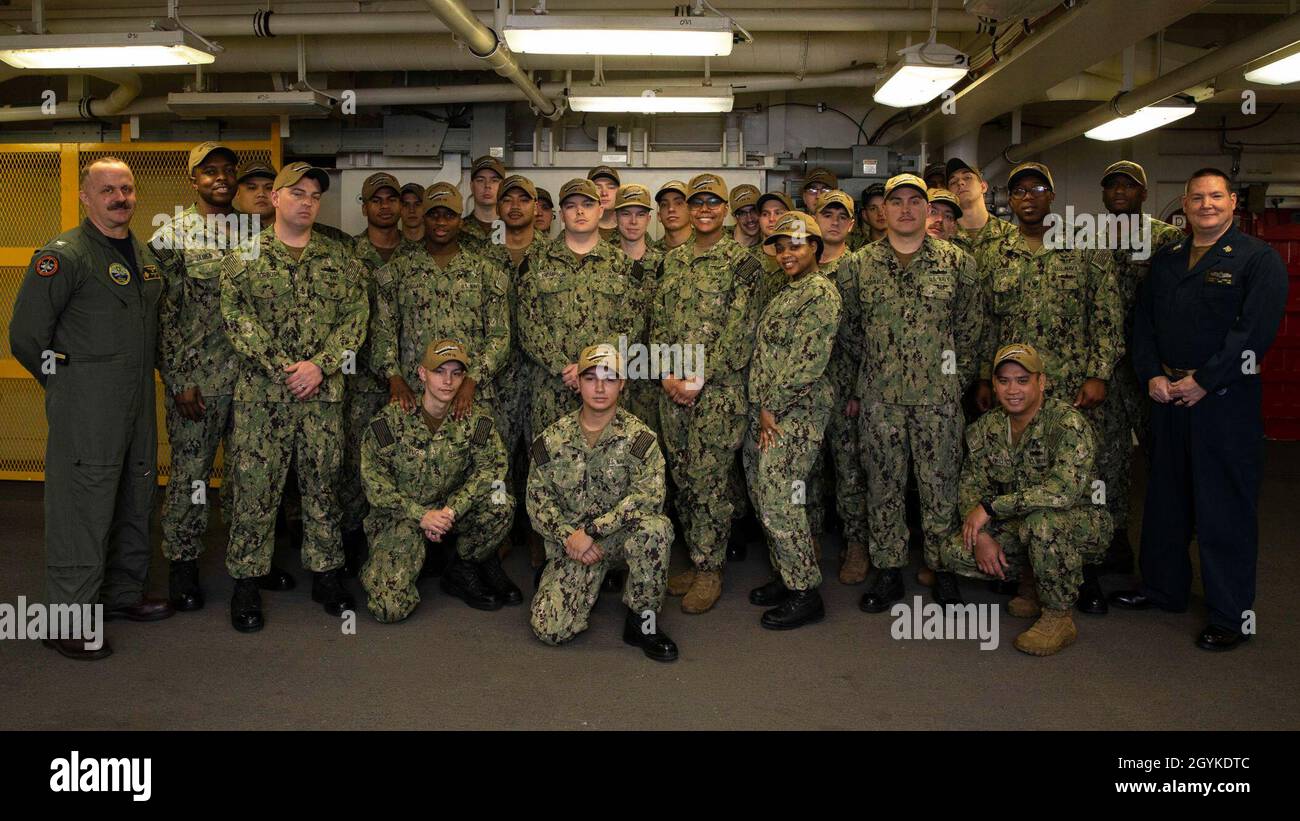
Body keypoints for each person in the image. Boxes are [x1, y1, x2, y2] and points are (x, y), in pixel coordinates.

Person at [1113, 167, 1289, 652]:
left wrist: (1205, 382)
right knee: (1166, 498)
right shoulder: (1168, 257)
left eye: (1216, 196)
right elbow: (1143, 320)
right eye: (1196, 198)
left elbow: (1253, 334)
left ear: (1233, 202)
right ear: (1184, 206)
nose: (1206, 204)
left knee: (1223, 507)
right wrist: (1151, 372)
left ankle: (1231, 615)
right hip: (1167, 394)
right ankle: (1162, 589)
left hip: (1223, 401)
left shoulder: (1258, 260)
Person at [10, 156, 174, 659]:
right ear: (86, 197)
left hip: (137, 397)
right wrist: (68, 385)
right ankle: (65, 618)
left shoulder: (143, 254)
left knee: (135, 487)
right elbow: (25, 337)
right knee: (82, 504)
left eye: (126, 188)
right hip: (88, 400)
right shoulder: (64, 256)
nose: (120, 198)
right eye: (107, 190)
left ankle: (121, 594)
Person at [220, 162, 368, 632]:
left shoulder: (339, 257)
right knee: (255, 489)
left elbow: (356, 319)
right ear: (276, 199)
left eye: (315, 196)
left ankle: (326, 573)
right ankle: (247, 580)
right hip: (263, 397)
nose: (307, 201)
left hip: (322, 396)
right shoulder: (244, 257)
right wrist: (284, 368)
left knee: (323, 484)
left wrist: (319, 365)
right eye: (298, 193)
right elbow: (236, 319)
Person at [152, 142, 294, 611]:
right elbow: (163, 316)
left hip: (253, 383)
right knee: (192, 476)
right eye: (208, 171)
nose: (220, 178)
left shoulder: (255, 233)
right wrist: (177, 379)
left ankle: (250, 560)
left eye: (227, 170)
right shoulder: (171, 237)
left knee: (250, 477)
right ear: (192, 180)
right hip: (200, 382)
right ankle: (183, 563)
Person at [980, 161, 1123, 613]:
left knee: (1083, 480)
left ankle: (1087, 573)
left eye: (1036, 188)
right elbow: (984, 321)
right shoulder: (995, 252)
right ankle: (1029, 573)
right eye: (1018, 190)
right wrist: (986, 378)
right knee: (1024, 475)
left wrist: (1099, 371)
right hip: (1015, 390)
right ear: (1010, 199)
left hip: (1069, 387)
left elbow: (1106, 313)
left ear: (1051, 195)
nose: (1027, 197)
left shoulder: (1085, 246)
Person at [853, 174, 984, 614]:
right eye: (897, 202)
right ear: (883, 211)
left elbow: (969, 330)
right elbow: (850, 331)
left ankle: (942, 569)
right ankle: (888, 569)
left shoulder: (957, 263)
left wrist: (953, 381)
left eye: (915, 201)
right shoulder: (860, 265)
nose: (906, 209)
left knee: (940, 489)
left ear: (929, 211)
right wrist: (869, 375)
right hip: (880, 400)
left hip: (939, 402)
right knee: (883, 486)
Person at [941, 343, 1111, 656]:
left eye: (1022, 380)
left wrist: (991, 508)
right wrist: (979, 534)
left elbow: (1061, 492)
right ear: (994, 385)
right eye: (1004, 381)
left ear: (1041, 382)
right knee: (954, 551)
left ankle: (1058, 615)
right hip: (1021, 523)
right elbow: (970, 488)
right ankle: (1033, 578)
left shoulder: (1067, 424)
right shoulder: (985, 429)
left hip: (1078, 522)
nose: (1012, 389)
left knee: (1041, 523)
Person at [654, 173, 765, 614]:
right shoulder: (673, 261)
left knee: (710, 483)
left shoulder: (743, 264)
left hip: (716, 393)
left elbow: (741, 332)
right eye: (696, 202)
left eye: (712, 203)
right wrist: (665, 374)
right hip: (673, 392)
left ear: (725, 211)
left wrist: (699, 379)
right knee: (681, 479)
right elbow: (658, 322)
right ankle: (698, 558)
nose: (703, 209)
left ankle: (709, 570)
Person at [528, 343, 678, 662]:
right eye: (591, 378)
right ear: (578, 383)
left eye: (609, 379)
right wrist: (570, 537)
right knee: (549, 629)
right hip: (573, 544)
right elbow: (538, 501)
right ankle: (563, 576)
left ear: (622, 384)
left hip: (615, 538)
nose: (599, 387)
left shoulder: (640, 439)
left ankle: (642, 622)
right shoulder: (551, 440)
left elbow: (648, 497)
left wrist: (593, 531)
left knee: (656, 529)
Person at [360, 339, 518, 621]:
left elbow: (491, 470)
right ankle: (397, 563)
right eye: (439, 372)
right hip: (404, 517)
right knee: (388, 609)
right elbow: (375, 484)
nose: (448, 381)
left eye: (456, 373)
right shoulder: (389, 423)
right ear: (422, 374)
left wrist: (450, 510)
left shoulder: (475, 421)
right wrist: (421, 515)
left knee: (500, 498)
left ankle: (465, 563)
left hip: (449, 513)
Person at [369, 181, 512, 482]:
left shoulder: (485, 272)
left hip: (471, 397)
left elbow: (499, 336)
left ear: (461, 219)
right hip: (414, 394)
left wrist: (473, 381)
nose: (441, 222)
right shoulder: (398, 271)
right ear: (423, 216)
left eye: (449, 215)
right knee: (414, 477)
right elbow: (383, 330)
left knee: (481, 476)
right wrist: (393, 377)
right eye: (434, 214)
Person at [744, 213, 841, 629]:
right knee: (766, 496)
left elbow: (807, 363)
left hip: (791, 415)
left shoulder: (819, 294)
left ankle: (805, 591)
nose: (786, 254)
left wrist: (772, 405)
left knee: (782, 498)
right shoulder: (787, 291)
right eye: (780, 247)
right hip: (769, 412)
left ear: (814, 248)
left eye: (796, 245)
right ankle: (787, 574)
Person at [1094, 160, 1184, 574]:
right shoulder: (1090, 238)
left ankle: (1166, 552)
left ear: (1144, 194)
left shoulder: (1167, 240)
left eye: (1128, 186)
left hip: (1152, 364)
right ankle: (1114, 543)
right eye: (1111, 186)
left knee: (1163, 458)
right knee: (1108, 460)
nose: (1118, 192)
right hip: (1109, 366)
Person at [515, 178, 646, 436]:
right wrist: (564, 368)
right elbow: (528, 326)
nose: (580, 211)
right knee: (551, 465)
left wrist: (592, 368)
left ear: (600, 210)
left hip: (605, 387)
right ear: (561, 215)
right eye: (571, 206)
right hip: (553, 387)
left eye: (587, 204)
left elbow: (632, 325)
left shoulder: (624, 266)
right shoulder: (536, 263)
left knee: (609, 464)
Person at [340, 172, 419, 577]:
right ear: (364, 206)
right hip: (358, 381)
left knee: (402, 463)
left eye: (393, 199)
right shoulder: (345, 256)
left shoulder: (417, 256)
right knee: (355, 464)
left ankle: (400, 545)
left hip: (406, 382)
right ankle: (353, 541)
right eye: (377, 199)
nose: (386, 206)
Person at [814, 190, 870, 584]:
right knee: (808, 471)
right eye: (826, 214)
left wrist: (856, 390)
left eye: (841, 216)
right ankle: (810, 538)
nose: (833, 221)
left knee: (850, 472)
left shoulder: (861, 268)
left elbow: (868, 335)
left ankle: (856, 545)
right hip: (807, 391)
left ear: (851, 224)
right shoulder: (798, 265)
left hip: (844, 386)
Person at [613, 182, 665, 433]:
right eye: (626, 213)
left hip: (651, 376)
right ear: (615, 216)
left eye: (640, 214)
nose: (633, 221)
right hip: (611, 373)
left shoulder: (665, 265)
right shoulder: (602, 264)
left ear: (649, 218)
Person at [460, 155, 505, 249]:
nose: (487, 185)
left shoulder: (514, 230)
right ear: (472, 186)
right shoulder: (457, 230)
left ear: (503, 187)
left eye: (494, 180)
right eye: (480, 180)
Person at [650, 180, 693, 252]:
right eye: (664, 204)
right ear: (659, 216)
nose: (671, 209)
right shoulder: (651, 254)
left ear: (691, 211)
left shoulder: (707, 249)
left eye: (679, 203)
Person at [848, 182, 887, 250]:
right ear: (865, 215)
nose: (880, 213)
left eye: (884, 207)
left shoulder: (906, 246)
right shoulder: (854, 247)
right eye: (873, 208)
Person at [589, 164, 622, 241]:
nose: (604, 193)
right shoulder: (578, 230)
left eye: (611, 187)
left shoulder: (633, 230)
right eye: (597, 187)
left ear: (619, 191)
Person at [729, 184, 762, 250]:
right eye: (742, 213)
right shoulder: (719, 238)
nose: (749, 219)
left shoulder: (769, 246)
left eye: (754, 210)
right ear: (735, 217)